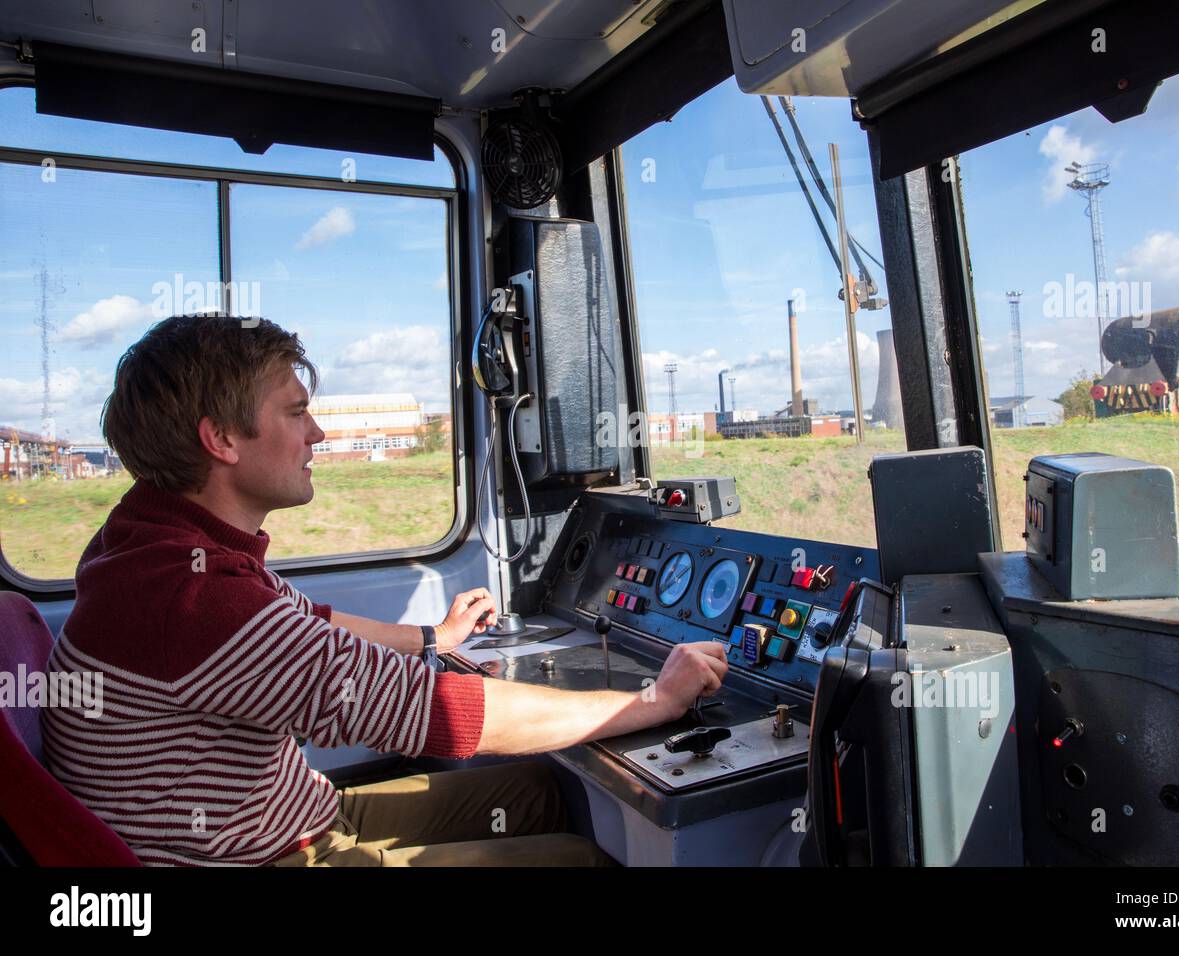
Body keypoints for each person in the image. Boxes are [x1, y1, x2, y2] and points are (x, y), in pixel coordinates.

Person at [42, 314, 728, 866]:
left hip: (284, 812)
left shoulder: (153, 542)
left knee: (536, 788)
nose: (317, 433)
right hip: (254, 856)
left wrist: (435, 637)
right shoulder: (191, 597)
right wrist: (654, 699)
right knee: (574, 858)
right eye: (296, 412)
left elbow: (306, 621)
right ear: (221, 438)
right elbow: (444, 716)